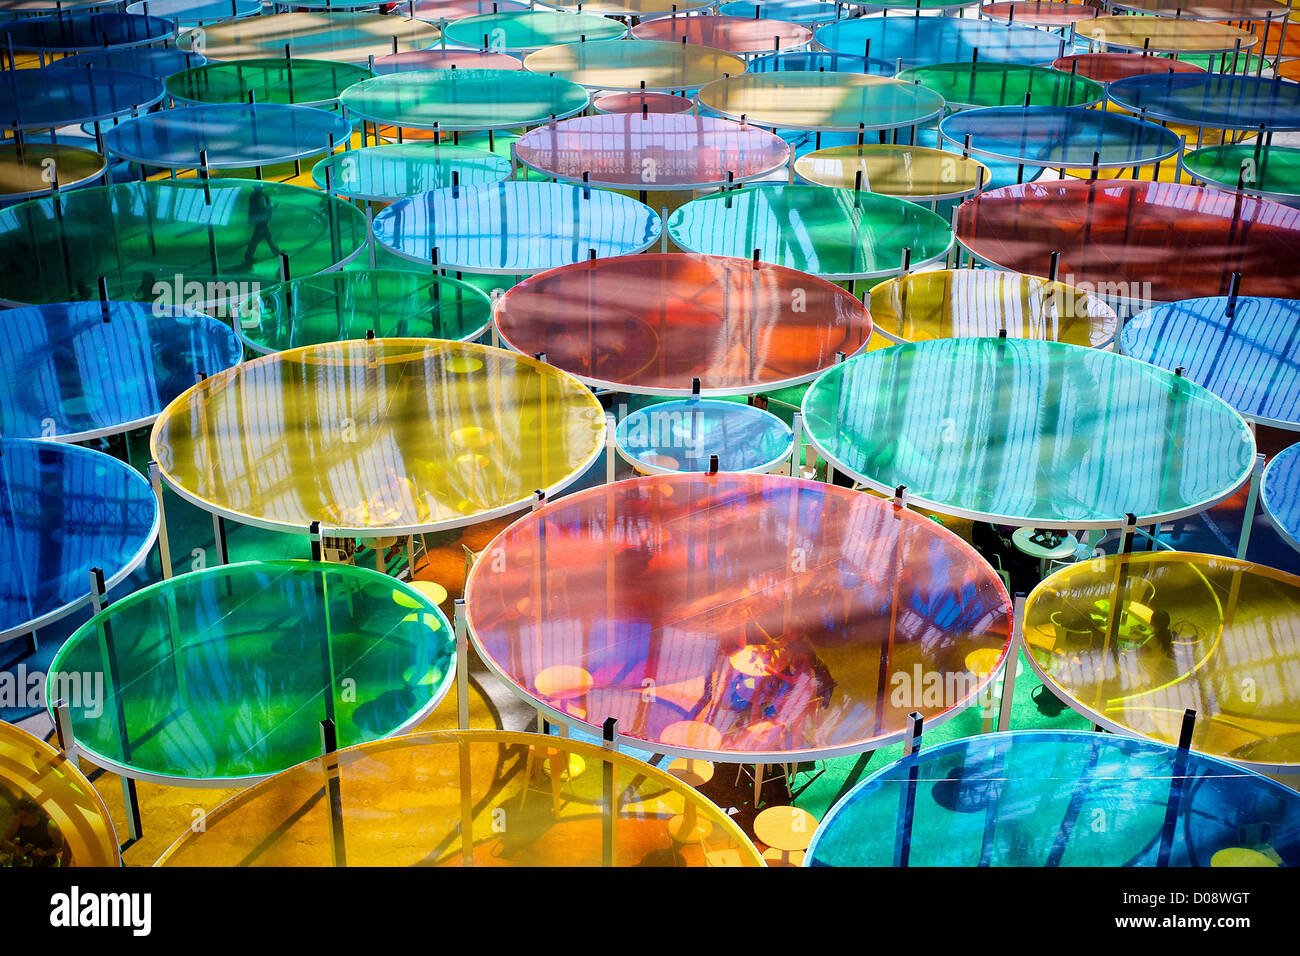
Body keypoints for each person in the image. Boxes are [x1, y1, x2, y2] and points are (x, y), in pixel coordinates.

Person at [1, 797, 68, 867]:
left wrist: (45, 853)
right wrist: (15, 848)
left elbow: (60, 847)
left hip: (49, 864)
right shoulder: (19, 820)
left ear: (35, 814)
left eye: (24, 817)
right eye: (19, 815)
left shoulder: (51, 827)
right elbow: (5, 841)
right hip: (25, 862)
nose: (20, 819)